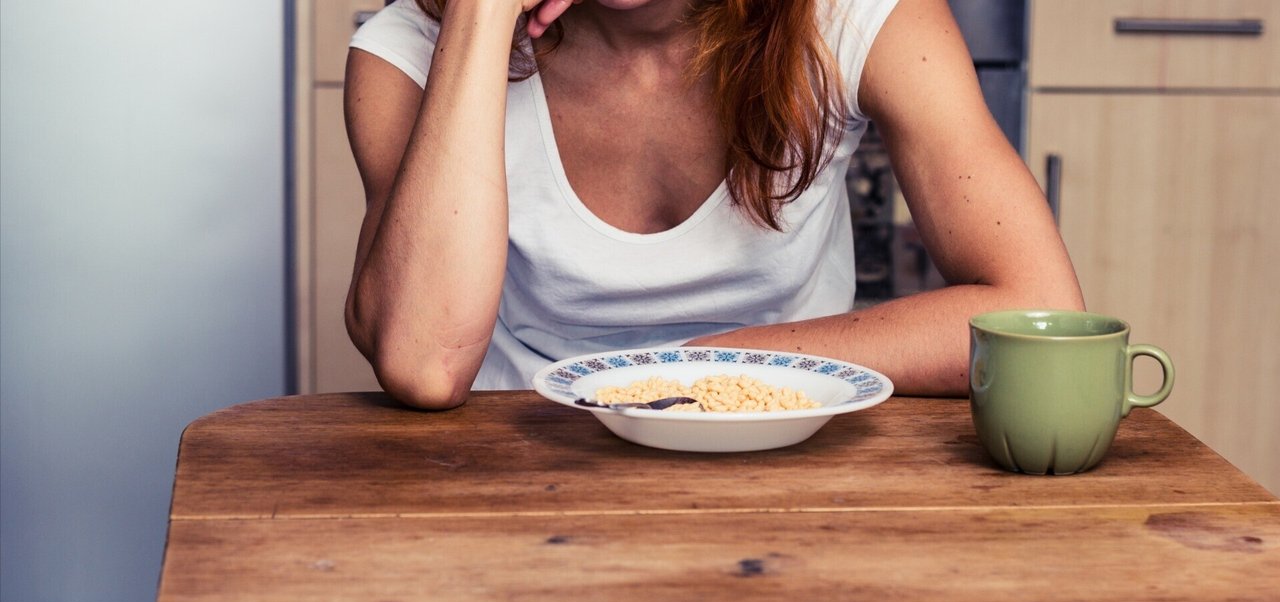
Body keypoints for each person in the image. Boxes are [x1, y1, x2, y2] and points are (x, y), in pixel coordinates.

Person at [342, 0, 1084, 410]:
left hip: (784, 446)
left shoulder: (856, 18)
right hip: (511, 463)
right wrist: (481, 15)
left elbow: (1036, 306)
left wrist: (681, 373)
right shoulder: (409, 51)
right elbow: (422, 365)